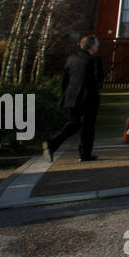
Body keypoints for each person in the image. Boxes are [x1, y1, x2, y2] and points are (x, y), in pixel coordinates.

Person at [43, 34, 104, 163]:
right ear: (92, 46)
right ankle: (84, 153)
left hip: (71, 97)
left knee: (74, 123)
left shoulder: (71, 59)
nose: (98, 46)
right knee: (88, 126)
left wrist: (65, 94)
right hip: (88, 97)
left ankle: (53, 144)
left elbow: (65, 79)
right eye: (97, 44)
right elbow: (99, 80)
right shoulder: (94, 60)